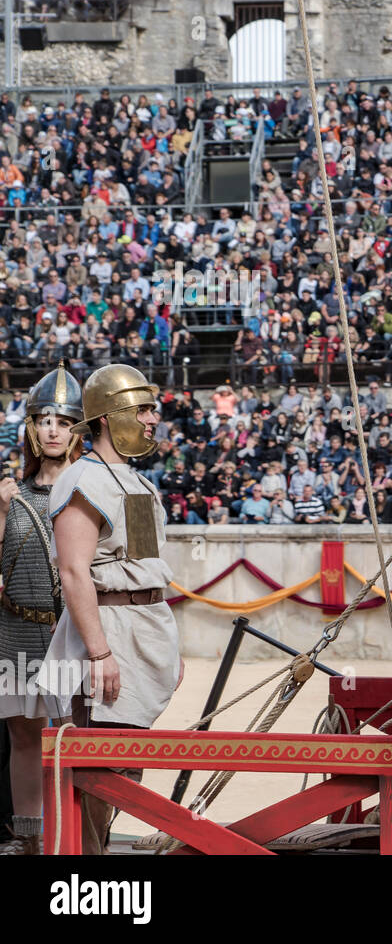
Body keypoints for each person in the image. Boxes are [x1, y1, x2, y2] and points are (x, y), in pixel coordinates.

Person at [36, 364, 182, 855]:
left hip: (138, 632)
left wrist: (166, 645)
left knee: (123, 762)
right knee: (96, 766)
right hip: (106, 634)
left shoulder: (132, 481)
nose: (152, 419)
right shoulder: (82, 479)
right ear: (107, 417)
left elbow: (143, 564)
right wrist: (99, 653)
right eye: (142, 410)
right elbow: (74, 572)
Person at [0, 365, 82, 855]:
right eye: (44, 420)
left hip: (70, 634)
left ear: (78, 431)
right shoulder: (10, 495)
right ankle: (28, 837)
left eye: (64, 422)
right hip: (17, 630)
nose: (53, 430)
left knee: (74, 739)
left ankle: (72, 835)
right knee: (24, 738)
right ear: (31, 427)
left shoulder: (88, 491)